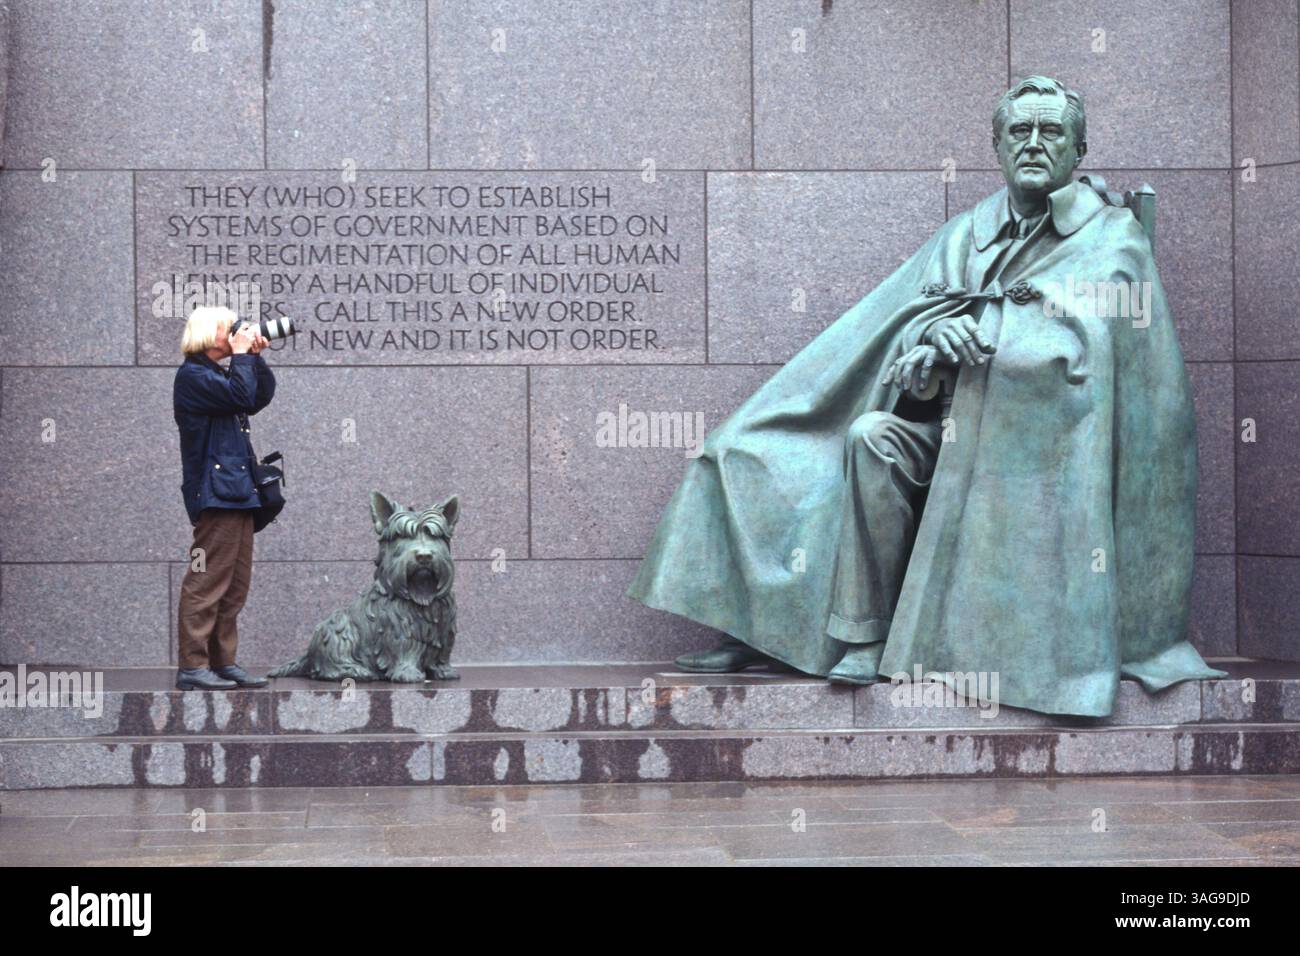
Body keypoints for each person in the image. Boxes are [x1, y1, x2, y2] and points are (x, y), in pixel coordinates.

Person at [627, 76, 1225, 717]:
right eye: (1018, 131)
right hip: (942, 425)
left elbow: (1089, 349)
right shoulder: (967, 232)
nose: (1032, 143)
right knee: (786, 446)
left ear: (1079, 151)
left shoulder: (1111, 236)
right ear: (997, 146)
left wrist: (988, 333)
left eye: (1051, 132)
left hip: (1029, 454)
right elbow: (903, 319)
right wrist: (931, 338)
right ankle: (818, 632)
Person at [173, 305, 276, 691]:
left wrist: (255, 358)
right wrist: (241, 356)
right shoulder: (193, 376)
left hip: (237, 493)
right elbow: (240, 393)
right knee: (205, 581)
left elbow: (256, 396)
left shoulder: (217, 374)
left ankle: (222, 661)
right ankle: (193, 665)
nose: (236, 331)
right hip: (216, 496)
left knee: (234, 584)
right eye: (227, 328)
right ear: (205, 334)